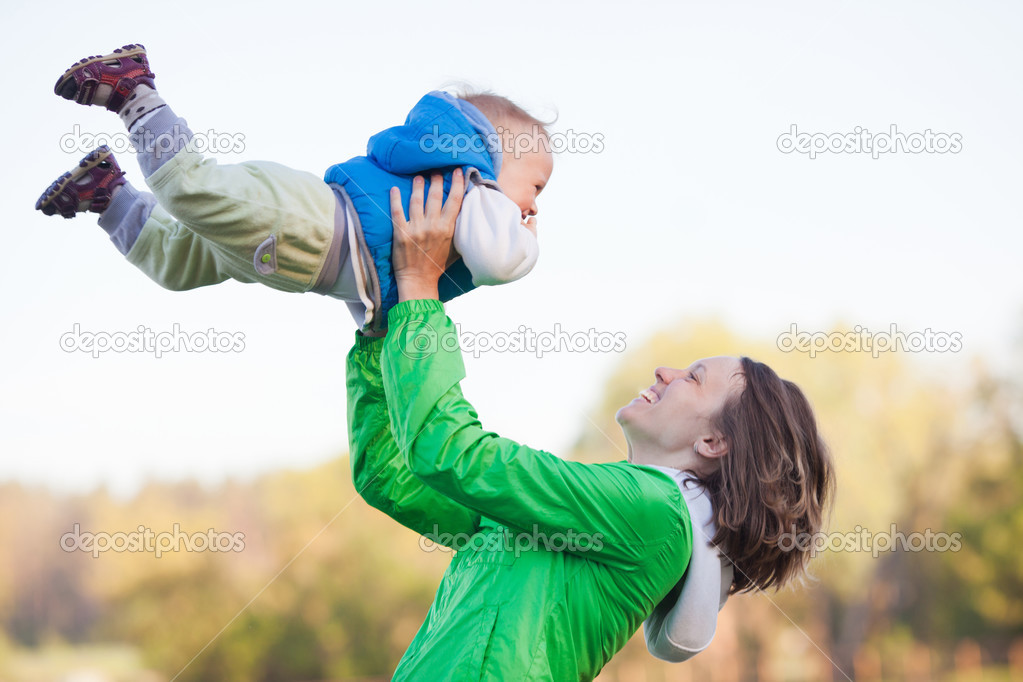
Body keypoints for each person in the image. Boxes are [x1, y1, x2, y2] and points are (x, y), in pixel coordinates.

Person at [345, 171, 836, 679]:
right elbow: (389, 476)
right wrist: (383, 331)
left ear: (714, 441)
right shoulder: (592, 513)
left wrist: (419, 293)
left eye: (693, 377)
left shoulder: (657, 512)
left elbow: (450, 451)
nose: (663, 372)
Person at [35, 44, 553, 332]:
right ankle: (133, 92)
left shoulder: (460, 188)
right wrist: (526, 241)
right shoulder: (476, 186)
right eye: (536, 184)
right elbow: (498, 259)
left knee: (177, 264)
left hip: (301, 253)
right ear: (494, 150)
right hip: (314, 223)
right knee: (191, 188)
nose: (533, 204)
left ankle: (108, 195)